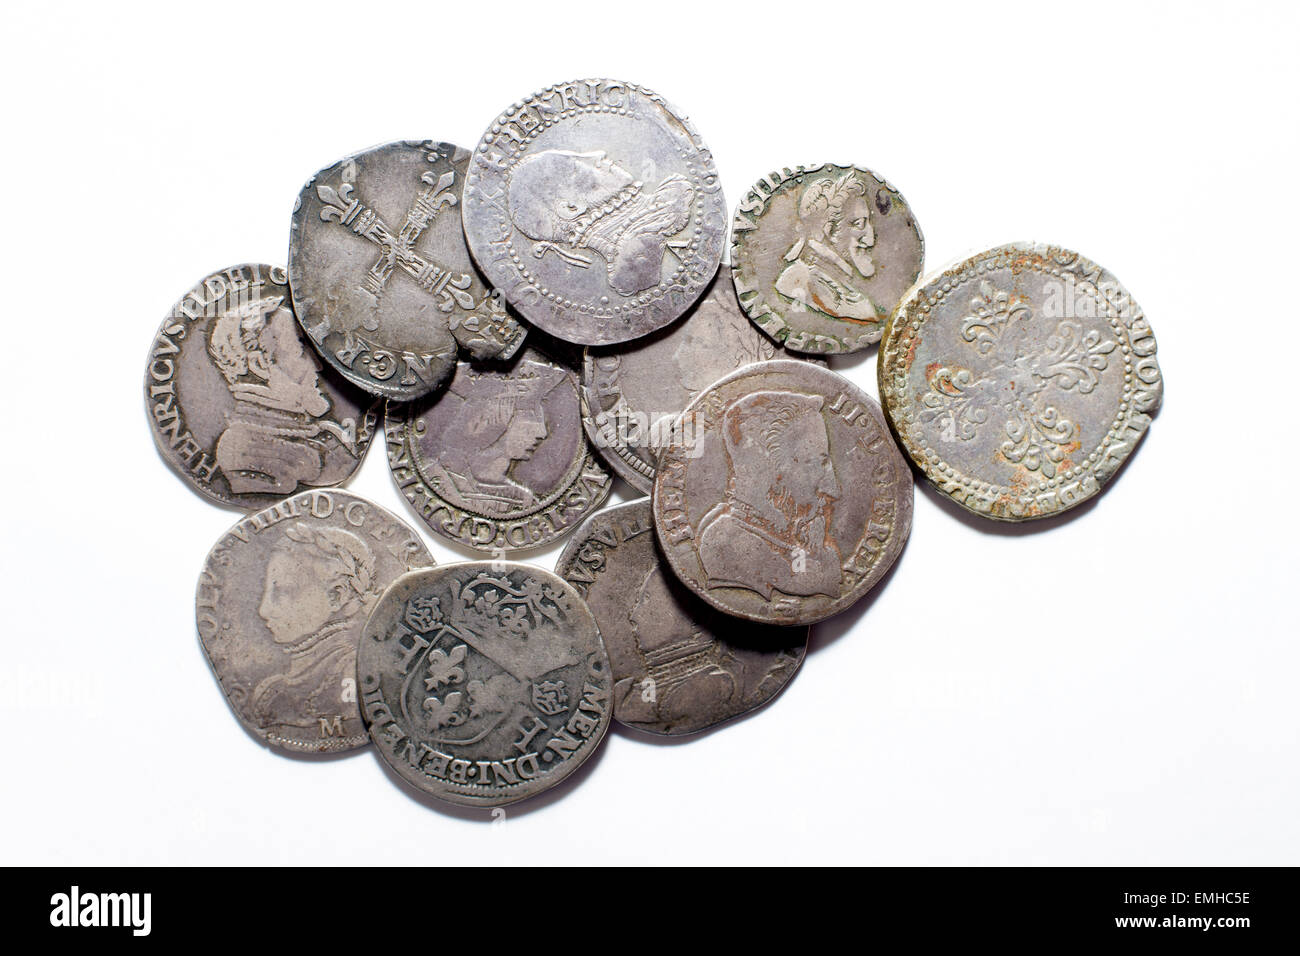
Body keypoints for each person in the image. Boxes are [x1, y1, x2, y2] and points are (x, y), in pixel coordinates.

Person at [697, 390, 843, 599]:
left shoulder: (810, 549)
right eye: (817, 464)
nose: (833, 490)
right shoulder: (727, 549)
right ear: (768, 474)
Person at [207, 296, 356, 495]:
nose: (319, 366)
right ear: (260, 365)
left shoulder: (330, 434)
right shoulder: (242, 454)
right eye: (302, 350)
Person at [507, 149, 694, 296]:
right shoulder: (635, 263)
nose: (598, 154)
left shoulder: (666, 202)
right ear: (571, 208)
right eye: (576, 166)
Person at [250, 522, 377, 728]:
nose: (264, 610)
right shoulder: (279, 686)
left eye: (283, 592)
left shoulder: (350, 673)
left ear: (337, 596)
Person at [425, 359, 568, 515]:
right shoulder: (439, 479)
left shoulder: (523, 499)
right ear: (496, 419)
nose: (543, 432)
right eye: (530, 417)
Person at [774, 171, 879, 323]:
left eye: (868, 223)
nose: (871, 238)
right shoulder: (798, 281)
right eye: (859, 224)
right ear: (829, 232)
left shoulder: (843, 286)